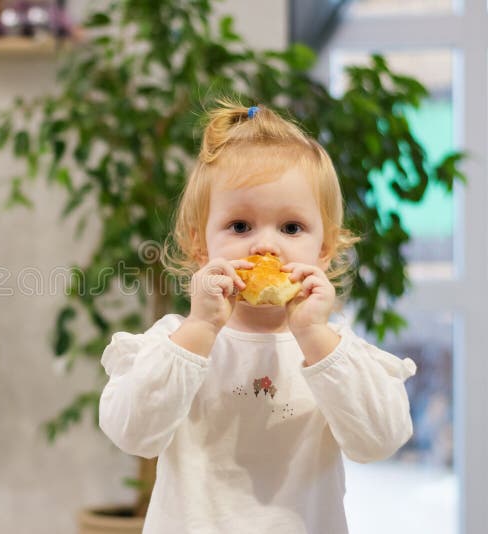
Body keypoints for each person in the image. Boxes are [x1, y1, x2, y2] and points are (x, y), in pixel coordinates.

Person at [98, 100, 417, 534]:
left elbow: (380, 439)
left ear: (324, 250)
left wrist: (316, 336)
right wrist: (200, 328)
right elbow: (133, 433)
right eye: (240, 226)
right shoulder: (177, 340)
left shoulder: (334, 349)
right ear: (200, 245)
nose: (265, 246)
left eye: (291, 228)